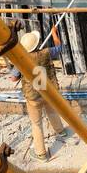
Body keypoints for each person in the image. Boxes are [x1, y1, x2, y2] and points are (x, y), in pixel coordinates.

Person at [19, 29, 64, 161]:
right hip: (47, 91)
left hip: (33, 96)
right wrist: (55, 33)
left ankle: (41, 154)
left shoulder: (21, 58)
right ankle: (60, 131)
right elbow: (59, 47)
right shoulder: (46, 53)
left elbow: (14, 78)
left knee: (36, 123)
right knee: (52, 111)